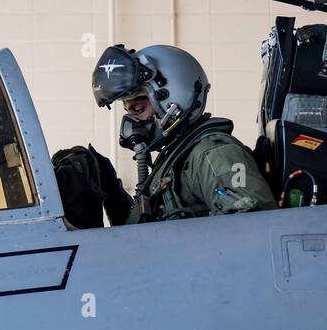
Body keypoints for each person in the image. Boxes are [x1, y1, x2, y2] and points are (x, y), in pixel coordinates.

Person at [56, 43, 276, 226]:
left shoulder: (214, 154)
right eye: (127, 111)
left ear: (174, 99)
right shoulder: (177, 159)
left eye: (139, 109)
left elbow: (253, 232)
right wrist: (111, 192)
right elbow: (146, 233)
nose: (130, 123)